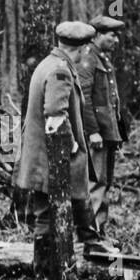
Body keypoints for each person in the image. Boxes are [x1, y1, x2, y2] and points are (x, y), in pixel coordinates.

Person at [16, 21, 104, 256]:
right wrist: (71, 147)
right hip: (50, 159)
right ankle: (46, 268)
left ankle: (75, 249)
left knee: (49, 213)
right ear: (82, 48)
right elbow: (55, 115)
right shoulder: (60, 71)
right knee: (46, 216)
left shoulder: (49, 63)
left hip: (42, 157)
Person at [75, 14, 125, 243]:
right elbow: (83, 97)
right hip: (96, 134)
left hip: (107, 133)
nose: (116, 40)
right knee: (95, 183)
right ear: (97, 35)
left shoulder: (101, 59)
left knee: (104, 182)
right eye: (112, 35)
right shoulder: (88, 58)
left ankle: (98, 231)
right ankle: (89, 237)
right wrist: (92, 130)